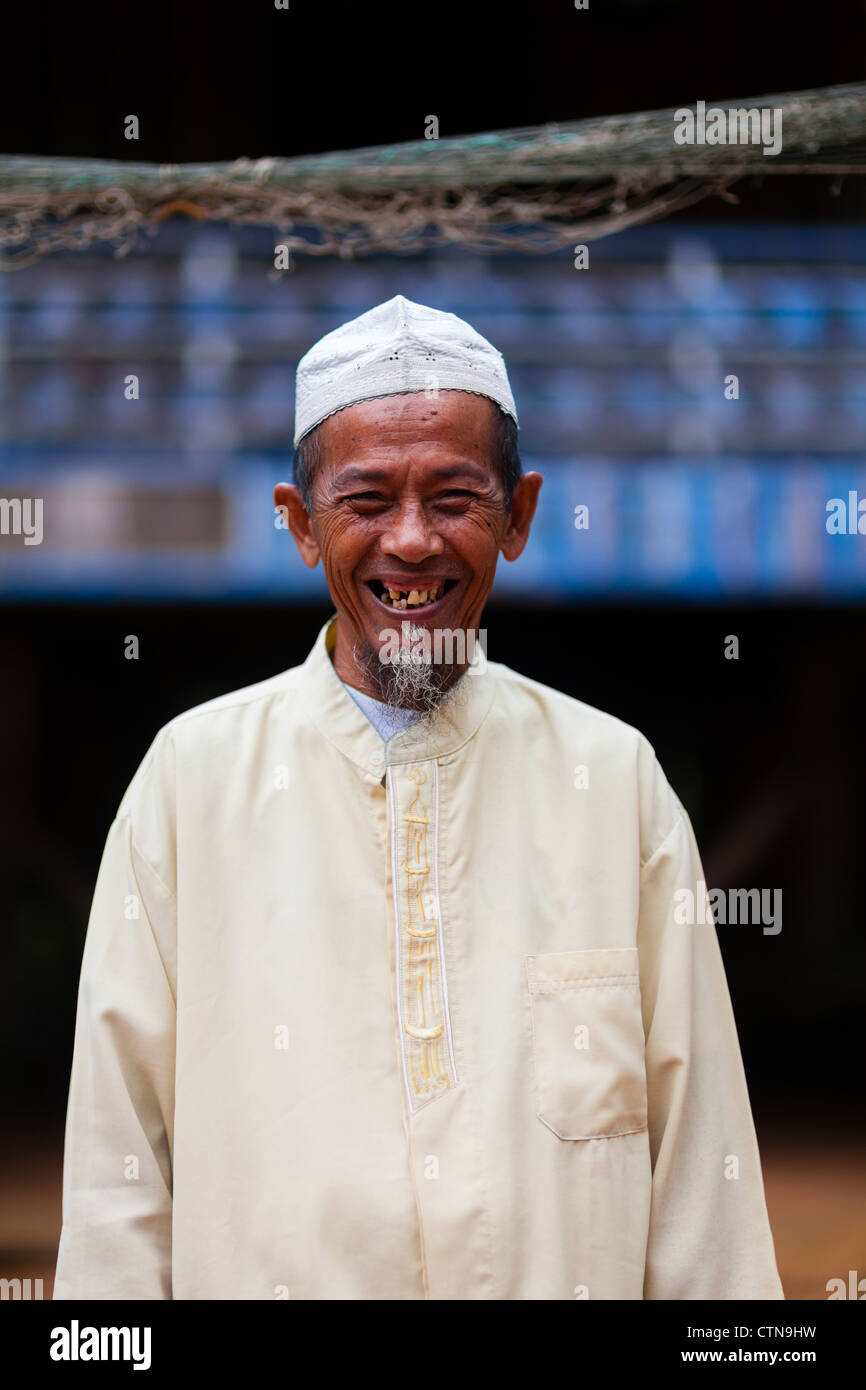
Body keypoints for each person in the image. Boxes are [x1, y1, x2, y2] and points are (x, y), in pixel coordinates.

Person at [54, 295, 783, 1300]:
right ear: (299, 524)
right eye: (364, 502)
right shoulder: (188, 785)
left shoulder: (615, 782)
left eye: (453, 498)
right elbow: (116, 1187)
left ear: (518, 516)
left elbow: (706, 1191)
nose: (410, 541)